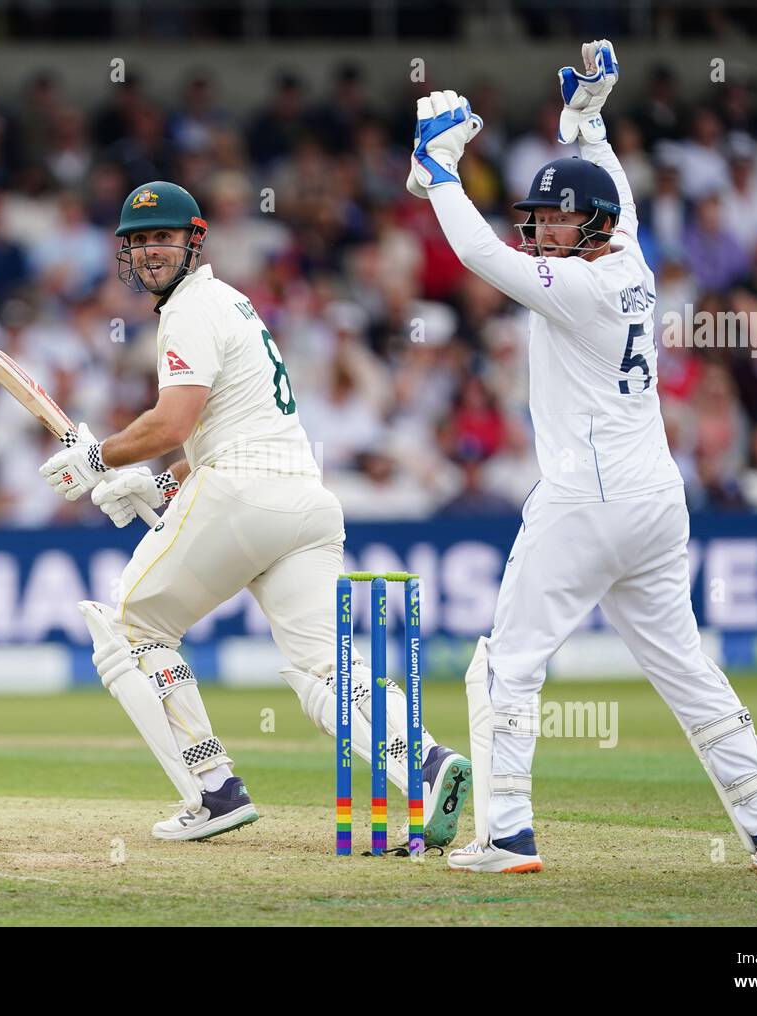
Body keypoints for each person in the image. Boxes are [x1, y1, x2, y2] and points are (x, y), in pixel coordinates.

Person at [408, 41, 757, 874]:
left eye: (556, 220)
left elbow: (480, 258)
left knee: (505, 664)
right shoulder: (628, 261)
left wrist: (439, 169)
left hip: (584, 499)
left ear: (589, 227)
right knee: (687, 668)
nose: (543, 231)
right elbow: (614, 191)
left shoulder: (579, 286)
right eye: (539, 220)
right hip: (656, 499)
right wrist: (587, 121)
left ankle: (507, 834)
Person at [38, 181, 471, 844]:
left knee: (132, 625)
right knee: (323, 672)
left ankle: (214, 789)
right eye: (139, 240)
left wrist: (98, 459)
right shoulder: (233, 304)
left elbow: (173, 419)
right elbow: (224, 427)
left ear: (194, 239)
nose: (151, 251)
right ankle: (429, 763)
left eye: (163, 237)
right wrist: (160, 484)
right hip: (305, 501)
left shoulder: (187, 309)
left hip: (244, 492)